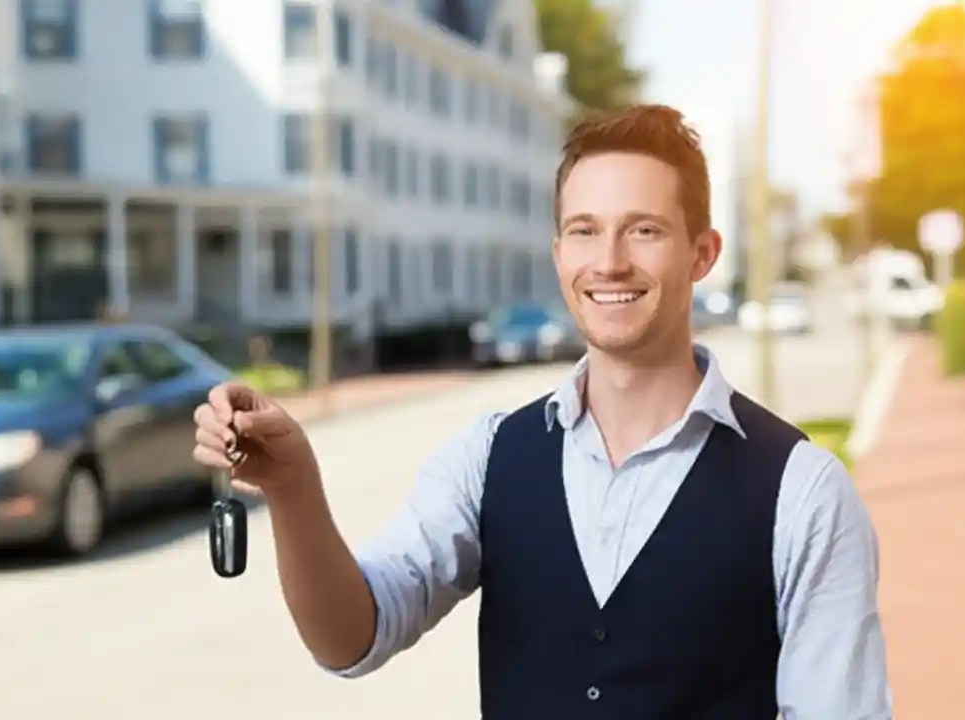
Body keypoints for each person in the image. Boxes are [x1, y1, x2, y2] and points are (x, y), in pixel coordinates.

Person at [192, 104, 892, 719]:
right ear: (559, 255)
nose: (609, 261)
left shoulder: (802, 491)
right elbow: (352, 638)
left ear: (702, 253)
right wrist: (294, 490)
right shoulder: (491, 456)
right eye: (584, 231)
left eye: (643, 230)